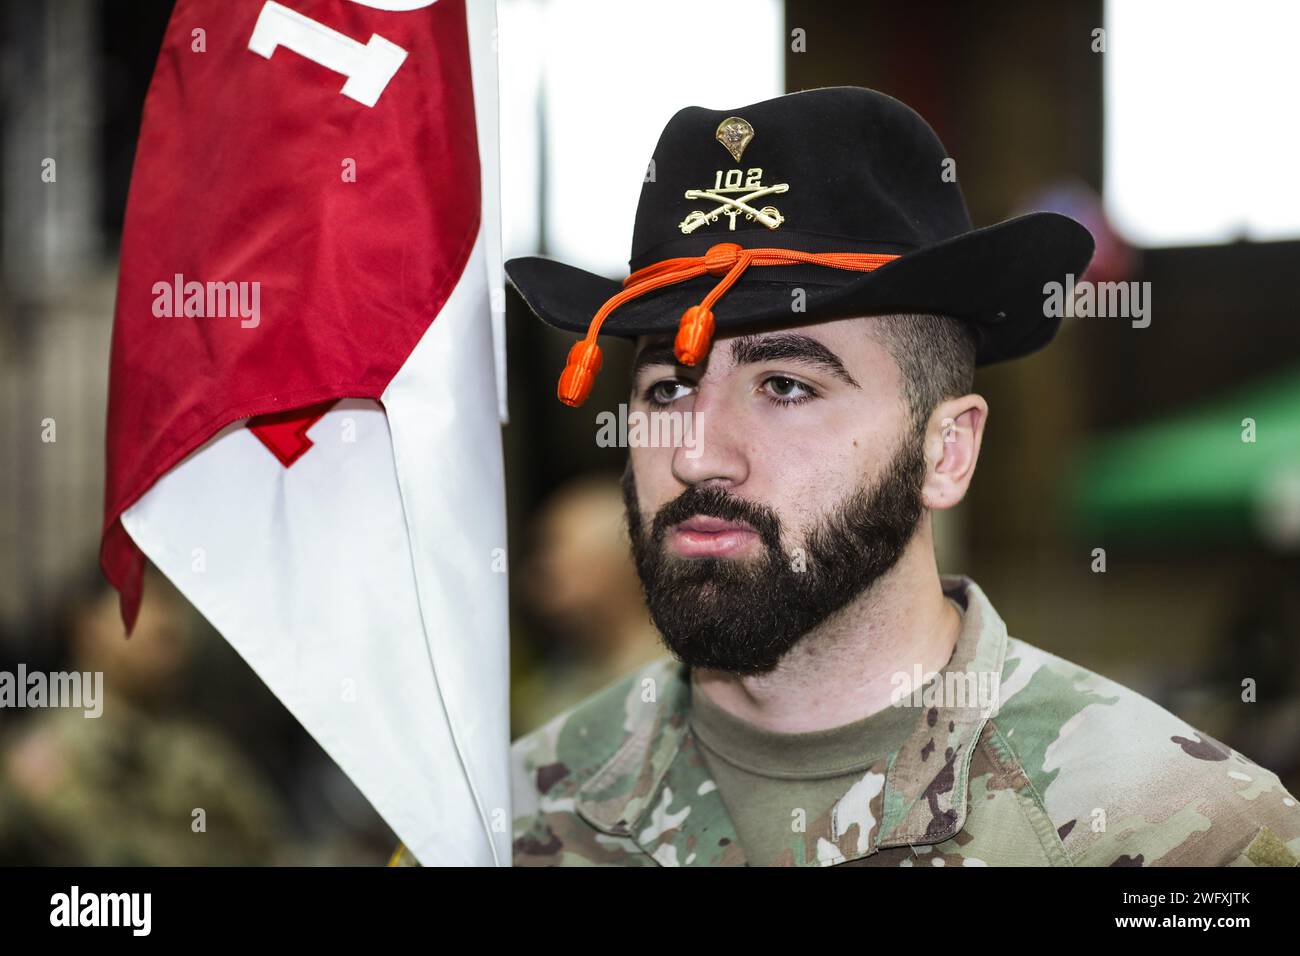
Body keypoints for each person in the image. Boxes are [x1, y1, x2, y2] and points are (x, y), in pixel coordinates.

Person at [393, 86, 1300, 866]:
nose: (698, 453)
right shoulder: (507, 823)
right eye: (668, 387)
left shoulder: (1182, 835)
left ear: (947, 451)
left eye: (785, 386)